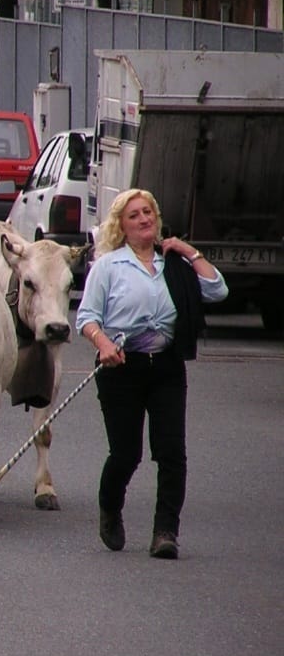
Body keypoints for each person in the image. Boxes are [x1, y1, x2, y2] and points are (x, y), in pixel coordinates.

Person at [75, 188, 228, 560]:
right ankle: (110, 508)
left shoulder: (173, 263)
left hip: (166, 367)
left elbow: (217, 289)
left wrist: (188, 251)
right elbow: (87, 318)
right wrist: (103, 343)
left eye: (148, 212)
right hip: (122, 367)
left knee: (172, 452)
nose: (144, 219)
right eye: (134, 215)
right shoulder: (109, 266)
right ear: (122, 226)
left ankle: (165, 532)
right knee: (126, 454)